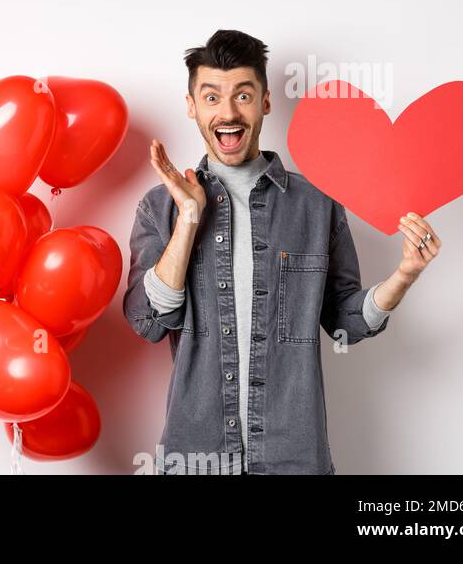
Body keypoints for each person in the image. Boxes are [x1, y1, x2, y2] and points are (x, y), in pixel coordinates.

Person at [122, 30, 441, 474]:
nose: (228, 112)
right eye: (211, 97)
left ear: (266, 102)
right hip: (195, 460)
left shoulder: (317, 205)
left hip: (295, 458)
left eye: (244, 95)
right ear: (192, 106)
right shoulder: (160, 208)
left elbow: (346, 323)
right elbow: (149, 322)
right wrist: (190, 219)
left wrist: (404, 275)